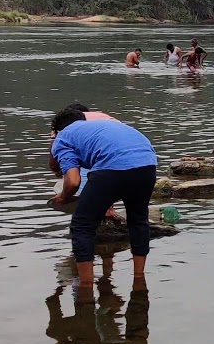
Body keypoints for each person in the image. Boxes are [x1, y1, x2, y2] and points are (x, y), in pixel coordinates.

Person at [49, 105, 158, 286]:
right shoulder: (100, 126)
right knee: (138, 220)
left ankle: (86, 287)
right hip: (147, 163)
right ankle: (139, 278)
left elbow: (73, 182)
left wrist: (63, 198)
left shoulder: (63, 137)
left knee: (82, 225)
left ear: (58, 130)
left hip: (113, 168)